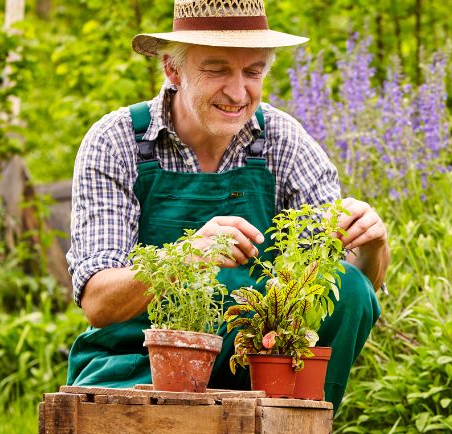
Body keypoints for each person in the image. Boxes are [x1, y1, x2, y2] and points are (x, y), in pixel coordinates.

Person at [63, 0, 389, 410]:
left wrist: (372, 244)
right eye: (216, 69)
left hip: (251, 365)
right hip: (137, 363)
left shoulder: (283, 141)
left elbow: (356, 294)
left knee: (350, 290)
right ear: (172, 69)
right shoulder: (118, 141)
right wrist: (186, 257)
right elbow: (97, 302)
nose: (238, 92)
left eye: (253, 72)